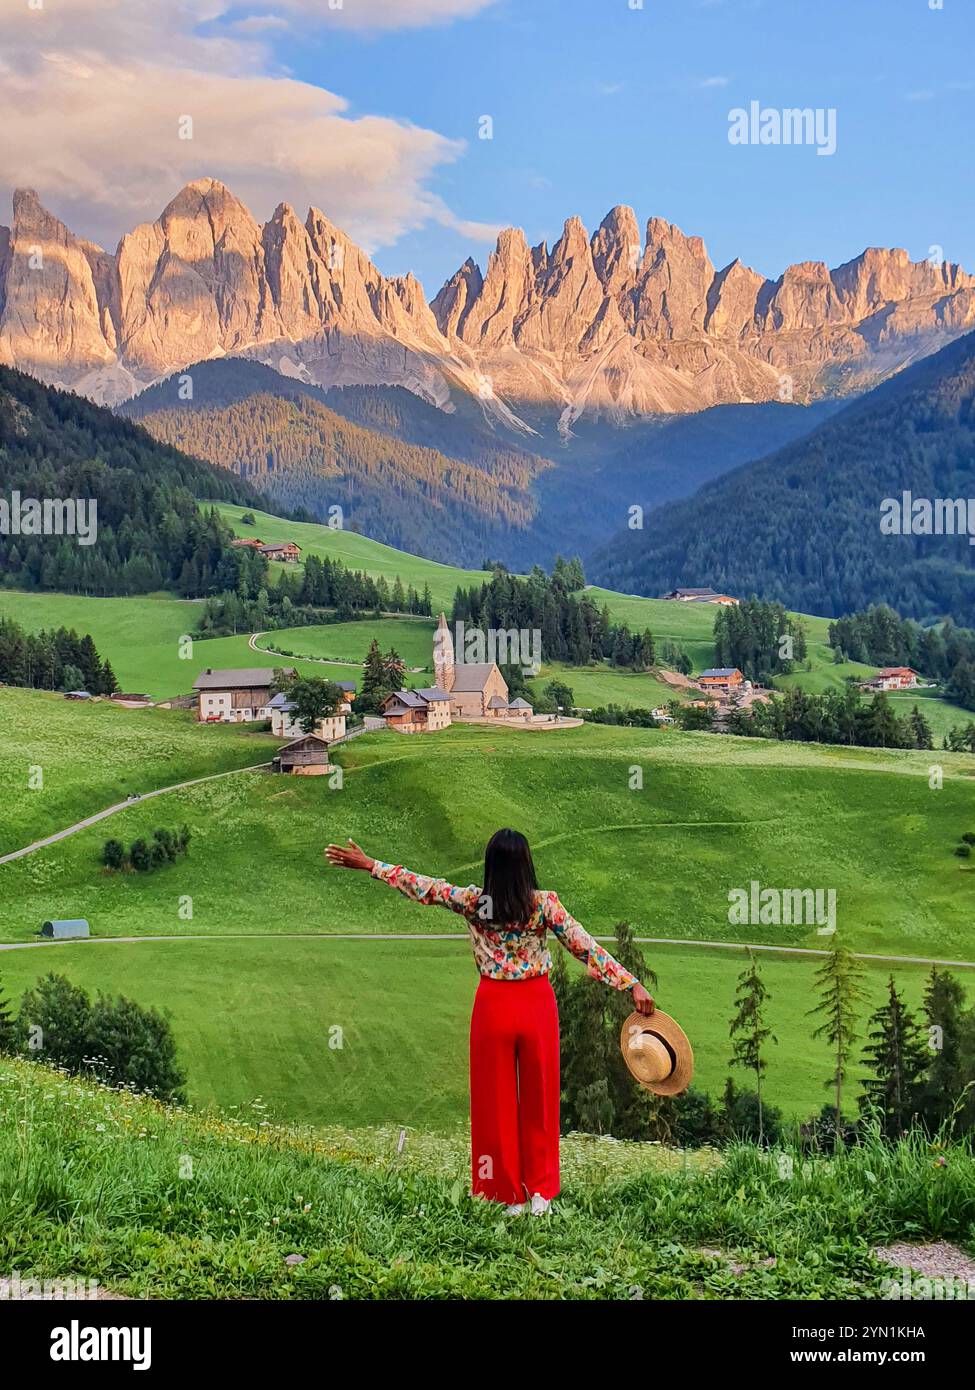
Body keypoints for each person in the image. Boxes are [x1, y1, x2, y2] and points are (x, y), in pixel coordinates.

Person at [325, 828, 654, 1216]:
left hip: (493, 1006)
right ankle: (541, 1193)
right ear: (526, 866)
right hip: (536, 1004)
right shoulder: (545, 905)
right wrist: (630, 984)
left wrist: (371, 866)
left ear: (491, 868)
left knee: (493, 1102)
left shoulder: (473, 903)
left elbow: (423, 886)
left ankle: (502, 1192)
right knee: (541, 1098)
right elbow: (585, 946)